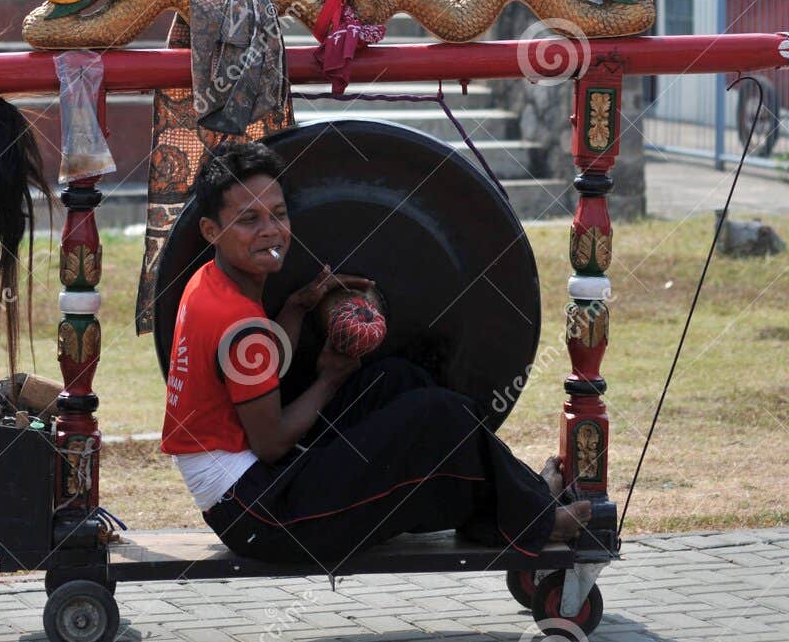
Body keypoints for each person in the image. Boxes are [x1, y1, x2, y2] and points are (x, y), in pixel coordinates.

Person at [160, 141, 593, 569]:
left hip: (255, 483)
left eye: (279, 213)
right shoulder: (242, 326)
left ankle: (523, 501)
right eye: (249, 219)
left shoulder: (210, 283)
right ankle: (535, 518)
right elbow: (271, 443)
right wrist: (329, 378)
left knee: (394, 380)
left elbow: (258, 364)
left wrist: (297, 307)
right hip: (259, 512)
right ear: (211, 231)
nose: (270, 230)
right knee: (435, 414)